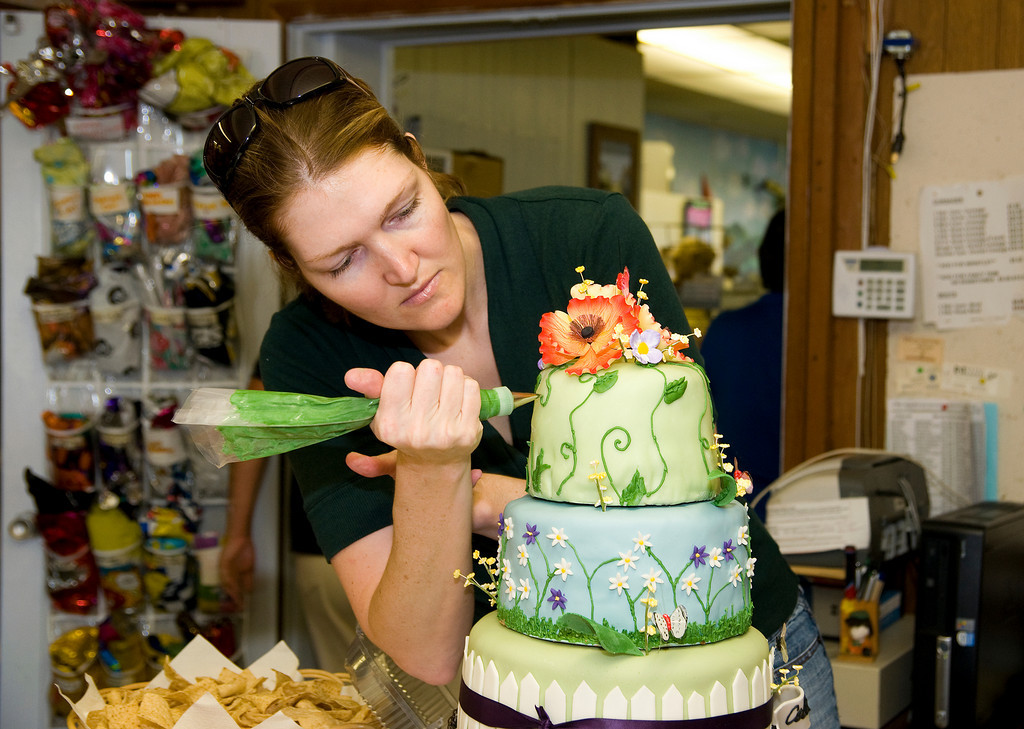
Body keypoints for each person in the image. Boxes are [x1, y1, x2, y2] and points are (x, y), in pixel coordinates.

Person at [203, 56, 839, 727]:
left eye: (403, 211)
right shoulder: (307, 353)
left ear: (419, 160)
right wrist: (431, 471)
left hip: (742, 662)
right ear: (293, 268)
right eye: (342, 260)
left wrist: (477, 501)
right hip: (525, 701)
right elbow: (424, 653)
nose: (400, 267)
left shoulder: (583, 237)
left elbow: (680, 499)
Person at [220, 371, 358, 673]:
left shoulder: (302, 329)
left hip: (330, 541)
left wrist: (238, 533)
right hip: (431, 541)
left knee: (351, 685)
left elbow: (253, 417)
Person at [701, 208, 786, 515]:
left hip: (734, 510)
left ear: (763, 258)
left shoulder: (725, 331)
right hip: (815, 513)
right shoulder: (822, 345)